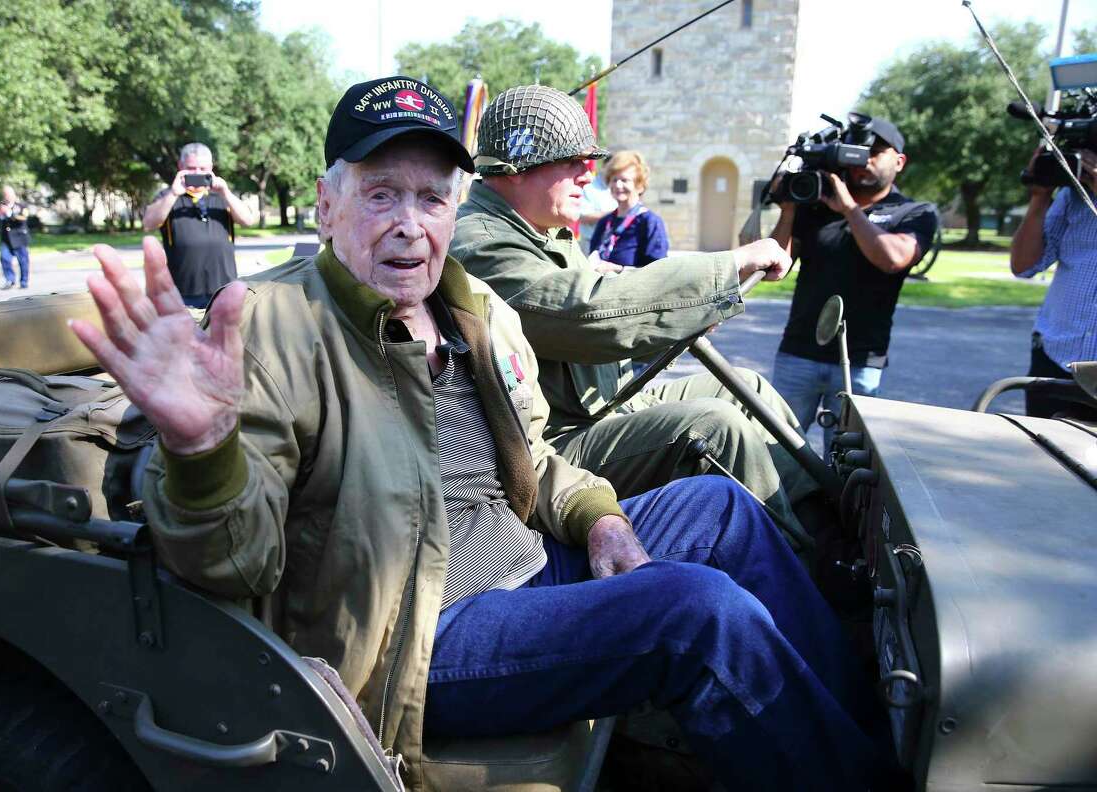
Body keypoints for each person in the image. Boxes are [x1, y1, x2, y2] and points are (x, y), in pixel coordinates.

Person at [70, 76, 890, 792]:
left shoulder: (474, 312)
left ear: (454, 210)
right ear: (328, 206)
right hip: (418, 637)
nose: (409, 225)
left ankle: (872, 742)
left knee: (719, 506)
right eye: (381, 194)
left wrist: (599, 516)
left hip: (528, 562)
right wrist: (202, 451)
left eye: (431, 199)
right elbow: (233, 563)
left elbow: (535, 458)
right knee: (696, 614)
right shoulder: (269, 328)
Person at [451, 84, 818, 549]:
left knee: (749, 388)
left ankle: (824, 524)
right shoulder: (481, 242)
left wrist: (690, 307)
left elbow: (598, 304)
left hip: (604, 405)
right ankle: (803, 571)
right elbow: (585, 312)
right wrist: (723, 270)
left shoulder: (538, 231)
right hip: (552, 450)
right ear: (515, 168)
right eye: (570, 162)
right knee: (714, 425)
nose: (589, 175)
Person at [768, 117, 938, 445]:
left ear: (899, 161)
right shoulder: (816, 205)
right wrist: (788, 209)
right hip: (797, 352)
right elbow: (777, 266)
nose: (865, 160)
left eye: (876, 152)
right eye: (859, 151)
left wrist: (848, 209)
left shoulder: (914, 212)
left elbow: (892, 259)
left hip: (859, 362)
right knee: (775, 450)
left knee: (846, 462)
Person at [1009, 148, 1097, 418]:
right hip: (1055, 356)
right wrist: (1040, 197)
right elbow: (1023, 265)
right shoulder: (1072, 197)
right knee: (1039, 457)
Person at [141, 142, 258, 309]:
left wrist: (225, 192)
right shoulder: (168, 196)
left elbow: (247, 220)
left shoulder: (222, 196)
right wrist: (174, 193)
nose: (197, 173)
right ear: (180, 167)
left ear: (211, 168)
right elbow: (148, 223)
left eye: (203, 169)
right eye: (191, 168)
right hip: (183, 292)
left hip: (224, 289)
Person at [589, 149, 669, 271]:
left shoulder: (650, 222)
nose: (618, 185)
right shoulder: (604, 222)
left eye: (624, 180)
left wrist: (618, 269)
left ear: (640, 185)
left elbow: (658, 272)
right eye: (614, 180)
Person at [0, 186, 31, 290]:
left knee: (23, 261)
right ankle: (10, 280)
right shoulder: (1, 206)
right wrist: (2, 213)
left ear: (14, 195)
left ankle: (24, 282)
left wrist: (9, 213)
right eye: (5, 194)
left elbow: (23, 219)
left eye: (9, 194)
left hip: (19, 238)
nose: (7, 197)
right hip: (6, 239)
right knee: (4, 258)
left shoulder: (21, 206)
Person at [577, 168, 617, 252]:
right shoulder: (589, 186)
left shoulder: (618, 185)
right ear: (606, 166)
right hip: (591, 243)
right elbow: (582, 217)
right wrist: (614, 213)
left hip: (613, 243)